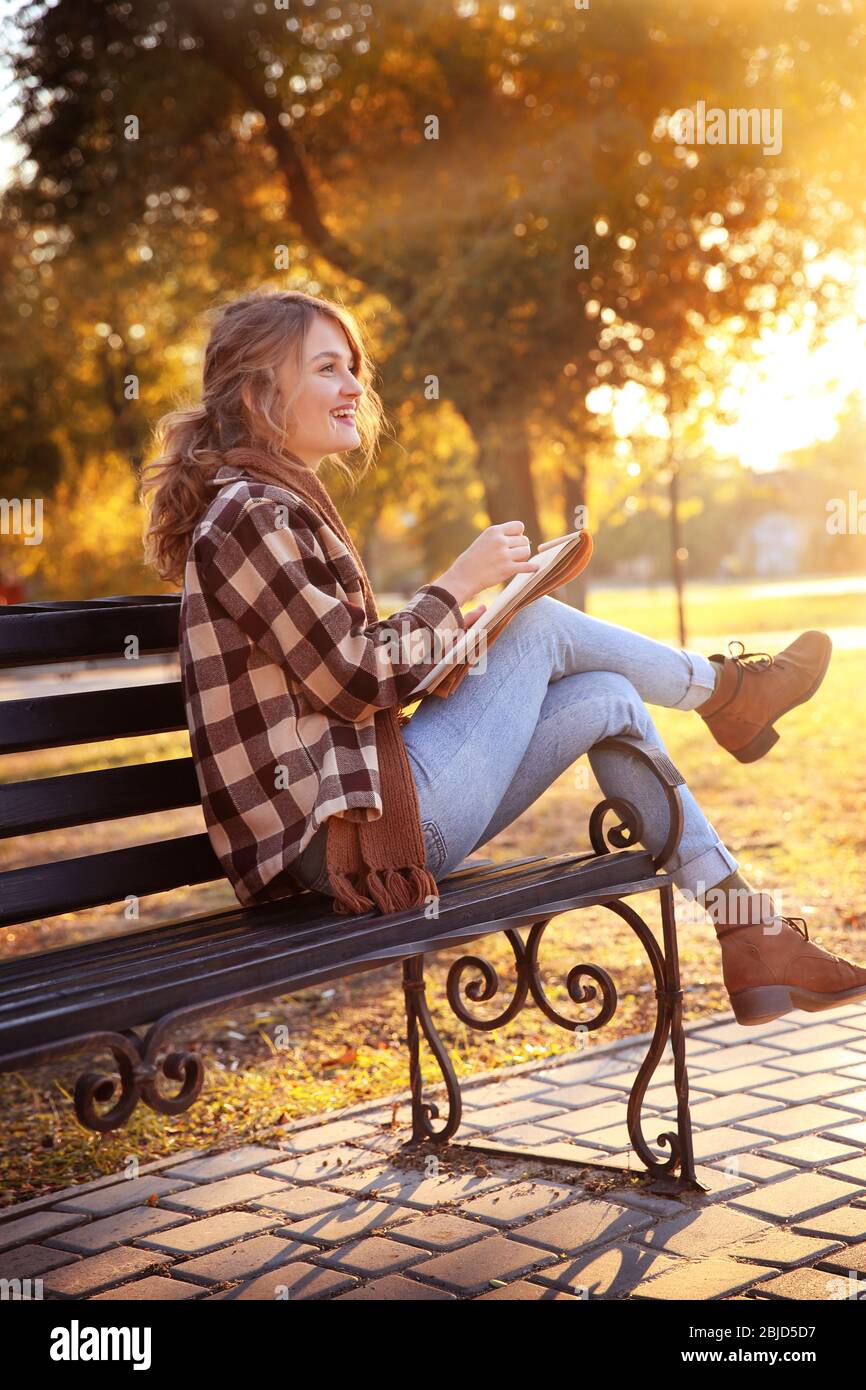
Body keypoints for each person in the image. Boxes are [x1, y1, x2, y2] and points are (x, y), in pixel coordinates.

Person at [140, 289, 866, 1028]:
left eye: (353, 368)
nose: (357, 387)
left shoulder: (271, 504)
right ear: (259, 389)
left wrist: (462, 635)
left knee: (610, 695)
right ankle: (730, 693)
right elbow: (358, 680)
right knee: (543, 625)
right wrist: (458, 586)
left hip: (368, 817)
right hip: (347, 844)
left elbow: (350, 668)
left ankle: (748, 928)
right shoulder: (251, 515)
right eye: (329, 368)